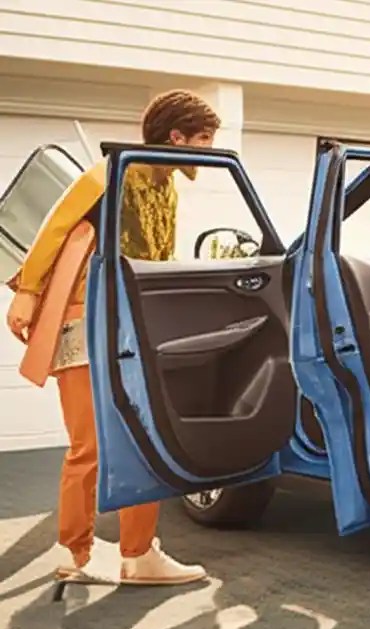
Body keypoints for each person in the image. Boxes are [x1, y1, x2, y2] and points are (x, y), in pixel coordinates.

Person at [4, 89, 220, 585]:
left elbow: (157, 262)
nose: (208, 153)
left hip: (131, 327)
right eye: (204, 140)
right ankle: (77, 552)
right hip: (85, 321)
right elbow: (53, 231)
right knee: (91, 446)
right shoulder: (109, 173)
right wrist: (28, 293)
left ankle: (134, 552)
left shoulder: (166, 188)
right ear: (176, 137)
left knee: (140, 441)